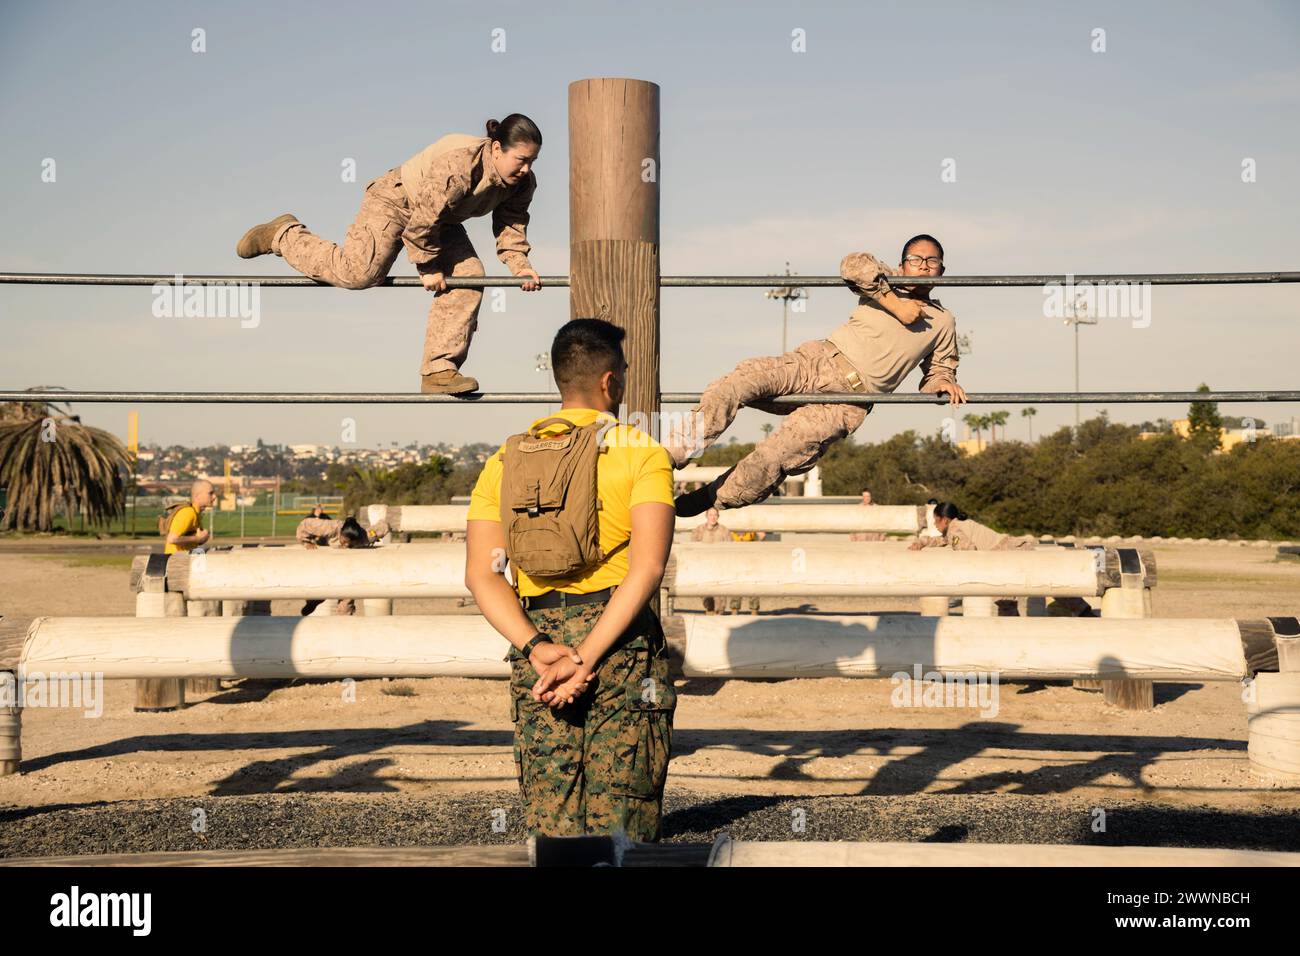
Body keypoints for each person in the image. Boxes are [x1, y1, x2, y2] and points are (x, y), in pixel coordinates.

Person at [464, 318, 677, 840]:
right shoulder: (641, 452)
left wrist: (537, 648)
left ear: (560, 377)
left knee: (552, 817)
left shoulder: (504, 460)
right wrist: (586, 657)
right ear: (610, 381)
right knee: (623, 824)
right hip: (620, 643)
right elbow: (648, 568)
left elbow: (481, 576)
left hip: (539, 643)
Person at [236, 115, 544, 394]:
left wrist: (520, 266)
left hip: (441, 220)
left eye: (532, 161)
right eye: (521, 160)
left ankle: (439, 370)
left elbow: (511, 223)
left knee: (469, 275)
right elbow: (422, 220)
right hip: (396, 200)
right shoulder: (460, 164)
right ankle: (283, 234)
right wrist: (428, 266)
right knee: (360, 273)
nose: (526, 169)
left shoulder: (522, 184)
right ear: (496, 149)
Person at [668, 236, 969, 516]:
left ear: (942, 271)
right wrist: (897, 306)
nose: (923, 266)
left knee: (778, 455)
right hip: (818, 362)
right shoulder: (885, 283)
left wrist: (943, 382)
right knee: (738, 383)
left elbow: (939, 371)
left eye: (932, 261)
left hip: (848, 403)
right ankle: (671, 455)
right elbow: (852, 264)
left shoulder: (943, 321)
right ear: (902, 265)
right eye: (915, 259)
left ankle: (708, 498)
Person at [296, 515, 389, 616]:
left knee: (346, 602)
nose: (346, 546)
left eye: (350, 544)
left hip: (349, 568)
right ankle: (314, 601)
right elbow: (305, 525)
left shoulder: (365, 536)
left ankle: (344, 619)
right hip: (330, 563)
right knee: (321, 588)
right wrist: (306, 542)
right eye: (344, 541)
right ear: (340, 533)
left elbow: (384, 526)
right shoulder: (332, 528)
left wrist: (391, 525)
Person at [908, 502, 1037, 551]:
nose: (934, 524)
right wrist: (922, 542)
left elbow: (968, 550)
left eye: (936, 520)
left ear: (945, 520)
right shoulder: (956, 525)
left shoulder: (954, 529)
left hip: (1009, 550)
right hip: (1011, 547)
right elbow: (942, 540)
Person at [690, 507, 732, 614]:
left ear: (718, 516)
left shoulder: (724, 530)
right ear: (706, 516)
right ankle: (709, 609)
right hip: (704, 566)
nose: (713, 517)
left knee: (720, 592)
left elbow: (730, 548)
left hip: (720, 566)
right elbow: (692, 547)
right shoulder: (699, 530)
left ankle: (720, 612)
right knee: (705, 593)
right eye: (710, 515)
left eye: (715, 515)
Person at [164, 479, 217, 555]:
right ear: (197, 496)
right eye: (210, 493)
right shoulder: (188, 512)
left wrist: (202, 539)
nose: (214, 497)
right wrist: (198, 538)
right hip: (175, 560)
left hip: (184, 559)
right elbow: (172, 539)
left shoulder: (195, 512)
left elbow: (188, 540)